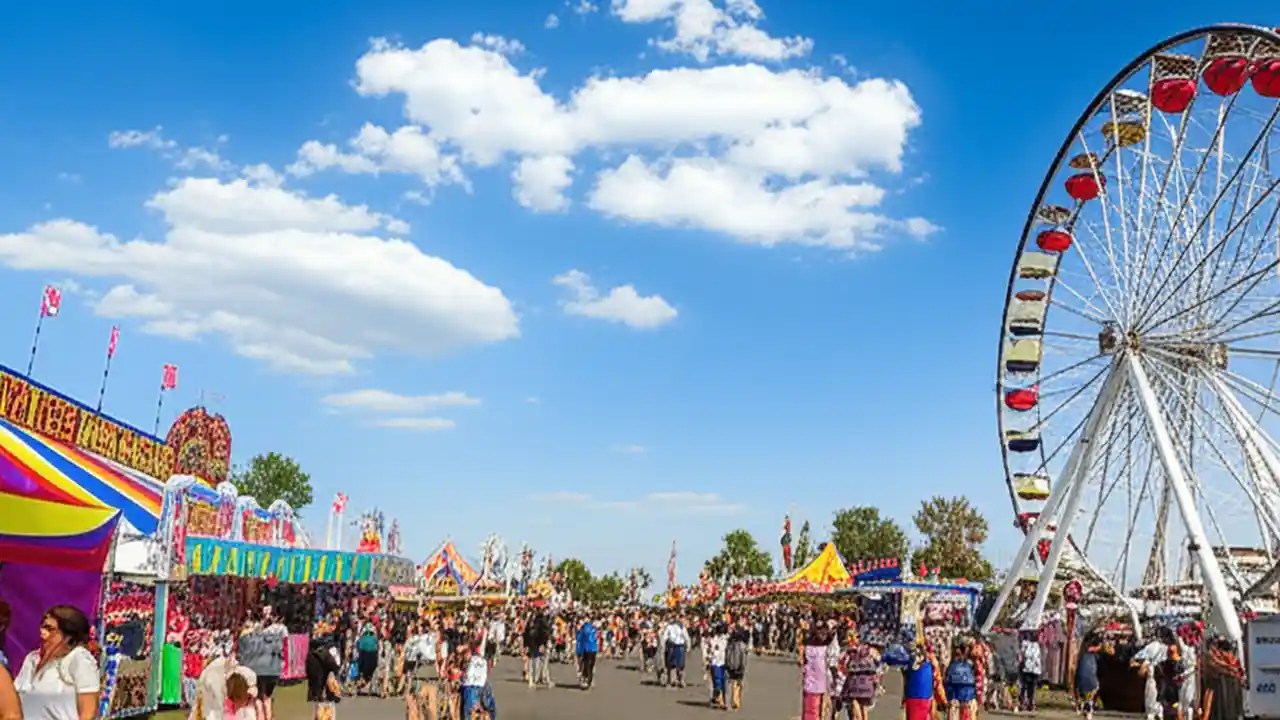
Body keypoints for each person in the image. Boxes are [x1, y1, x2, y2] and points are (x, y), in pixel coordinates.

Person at [13, 605, 99, 720]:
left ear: (68, 636)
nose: (42, 632)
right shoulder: (32, 659)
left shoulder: (78, 658)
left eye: (50, 629)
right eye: (42, 627)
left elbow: (88, 712)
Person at [238, 608, 286, 720]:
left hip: (257, 669)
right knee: (268, 697)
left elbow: (244, 654)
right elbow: (280, 651)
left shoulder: (248, 637)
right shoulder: (274, 637)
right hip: (272, 670)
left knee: (258, 699)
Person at [306, 641, 342, 720]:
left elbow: (308, 672)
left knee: (318, 705)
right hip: (327, 686)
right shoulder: (326, 654)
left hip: (316, 686)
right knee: (329, 706)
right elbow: (334, 667)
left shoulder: (310, 656)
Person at [459, 645, 497, 720]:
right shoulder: (483, 661)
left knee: (467, 710)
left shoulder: (471, 661)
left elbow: (469, 675)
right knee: (489, 705)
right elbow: (485, 673)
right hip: (483, 684)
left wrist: (462, 677)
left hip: (471, 687)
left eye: (464, 655)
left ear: (468, 653)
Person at [944, 642, 977, 720]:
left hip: (956, 693)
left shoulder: (954, 663)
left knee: (955, 713)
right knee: (966, 713)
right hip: (966, 693)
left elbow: (947, 677)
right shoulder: (969, 663)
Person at [725, 620, 749, 711]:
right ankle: (736, 701)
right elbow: (743, 659)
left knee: (729, 685)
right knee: (738, 685)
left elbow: (726, 655)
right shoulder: (743, 646)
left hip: (730, 666)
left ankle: (728, 703)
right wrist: (742, 669)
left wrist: (727, 664)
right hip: (738, 667)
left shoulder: (730, 644)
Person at [662, 616, 691, 688]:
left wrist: (688, 646)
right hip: (672, 646)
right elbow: (664, 637)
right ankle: (670, 681)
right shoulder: (669, 627)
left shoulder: (682, 627)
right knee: (671, 665)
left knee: (680, 665)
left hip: (680, 646)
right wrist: (664, 647)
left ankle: (681, 680)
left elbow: (687, 637)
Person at [704, 622, 728, 708]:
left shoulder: (726, 639)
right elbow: (709, 650)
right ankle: (719, 699)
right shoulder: (713, 640)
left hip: (724, 663)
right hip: (715, 663)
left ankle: (719, 698)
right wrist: (708, 661)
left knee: (723, 682)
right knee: (717, 682)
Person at [1017, 629, 1041, 713]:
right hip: (1027, 669)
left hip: (1033, 670)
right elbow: (1022, 656)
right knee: (1025, 686)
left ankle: (1030, 703)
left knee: (1031, 687)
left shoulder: (1036, 645)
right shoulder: (1026, 644)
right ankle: (1024, 703)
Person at [575, 617, 599, 690]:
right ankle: (589, 680)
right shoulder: (593, 628)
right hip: (593, 649)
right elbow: (595, 638)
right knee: (591, 665)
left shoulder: (583, 629)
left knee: (586, 665)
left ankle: (586, 680)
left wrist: (578, 651)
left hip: (586, 649)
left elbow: (579, 640)